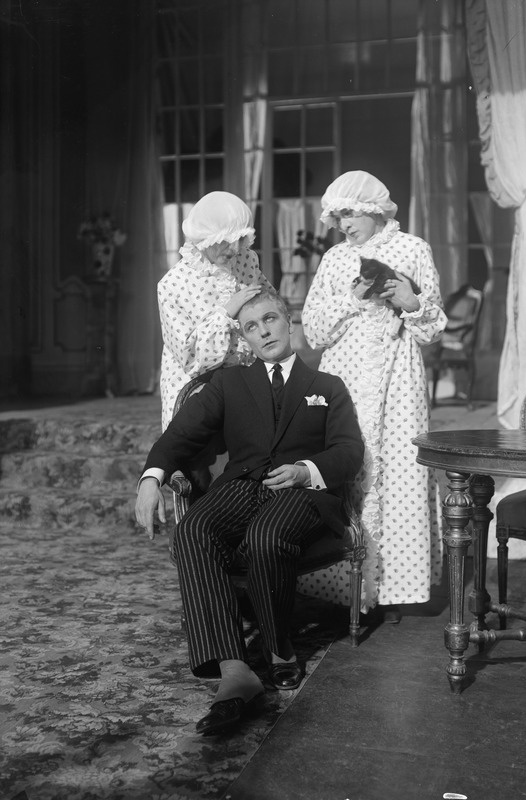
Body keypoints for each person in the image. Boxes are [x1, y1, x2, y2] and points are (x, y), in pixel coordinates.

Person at [135, 288, 364, 736]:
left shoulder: (327, 386)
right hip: (241, 485)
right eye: (252, 328)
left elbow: (348, 451)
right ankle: (235, 668)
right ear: (245, 338)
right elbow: (179, 434)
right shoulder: (230, 383)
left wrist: (305, 471)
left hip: (302, 493)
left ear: (289, 322)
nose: (264, 332)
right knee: (192, 530)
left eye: (271, 320)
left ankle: (280, 649)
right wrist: (151, 479)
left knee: (266, 535)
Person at [300, 170, 447, 622]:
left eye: (350, 214)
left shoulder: (414, 249)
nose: (343, 225)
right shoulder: (333, 259)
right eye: (338, 216)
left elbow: (432, 329)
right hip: (343, 377)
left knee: (399, 472)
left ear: (374, 210)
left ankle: (396, 586)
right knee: (346, 467)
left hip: (397, 381)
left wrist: (409, 300)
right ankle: (343, 586)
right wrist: (352, 297)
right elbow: (313, 330)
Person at [158, 191, 273, 430]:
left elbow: (269, 304)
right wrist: (226, 312)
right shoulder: (172, 285)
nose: (235, 248)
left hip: (246, 385)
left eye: (241, 238)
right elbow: (193, 359)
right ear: (205, 238)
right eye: (226, 239)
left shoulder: (246, 260)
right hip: (196, 391)